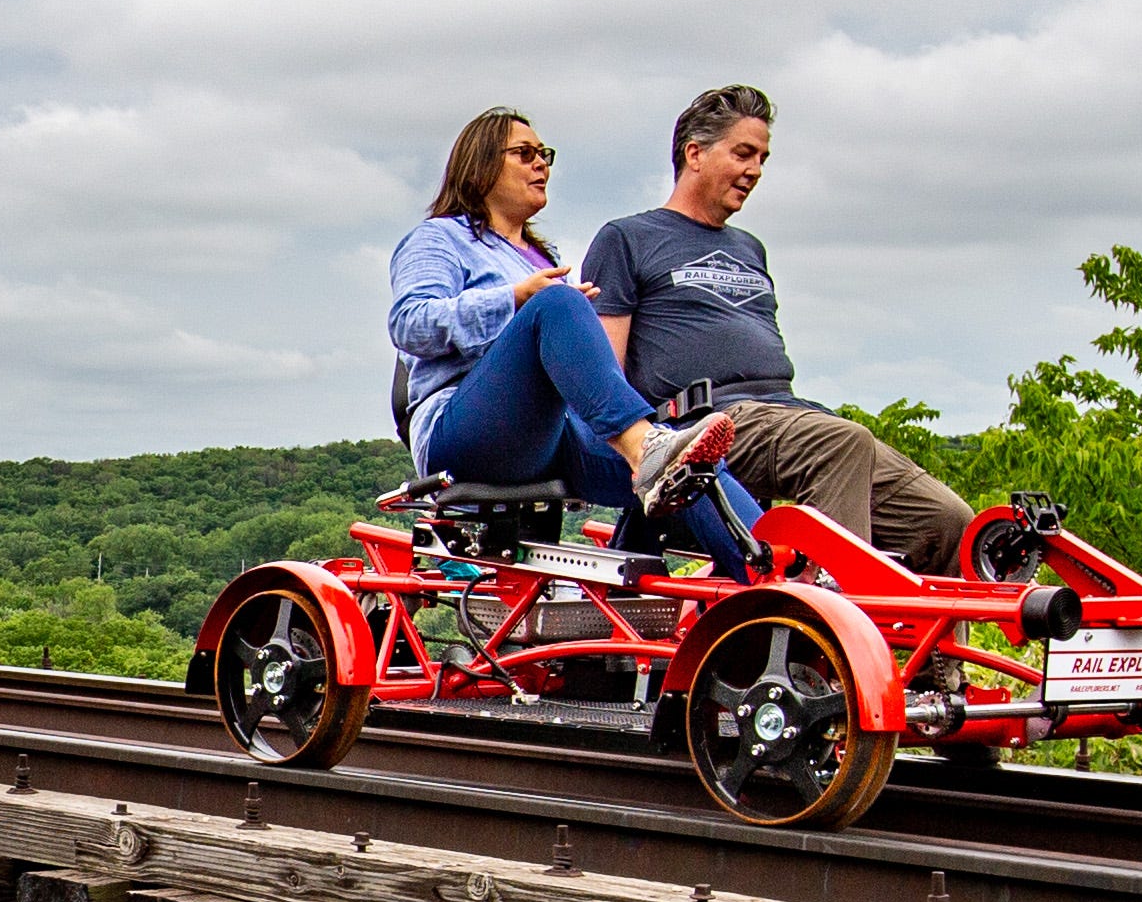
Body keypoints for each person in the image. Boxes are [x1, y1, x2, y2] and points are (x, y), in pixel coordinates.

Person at [577, 85, 973, 570]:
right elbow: (605, 374)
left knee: (948, 519)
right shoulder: (628, 238)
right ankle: (823, 623)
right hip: (703, 424)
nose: (756, 170)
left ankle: (930, 646)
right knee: (840, 442)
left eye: (763, 157)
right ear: (695, 154)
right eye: (743, 153)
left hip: (782, 413)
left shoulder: (750, 248)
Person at [387, 108, 748, 560]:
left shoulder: (542, 255)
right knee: (559, 304)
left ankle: (782, 577)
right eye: (525, 153)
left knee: (695, 468)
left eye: (544, 154)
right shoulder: (439, 239)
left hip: (551, 436)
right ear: (479, 166)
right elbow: (409, 323)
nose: (542, 164)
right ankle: (644, 448)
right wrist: (516, 300)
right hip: (460, 432)